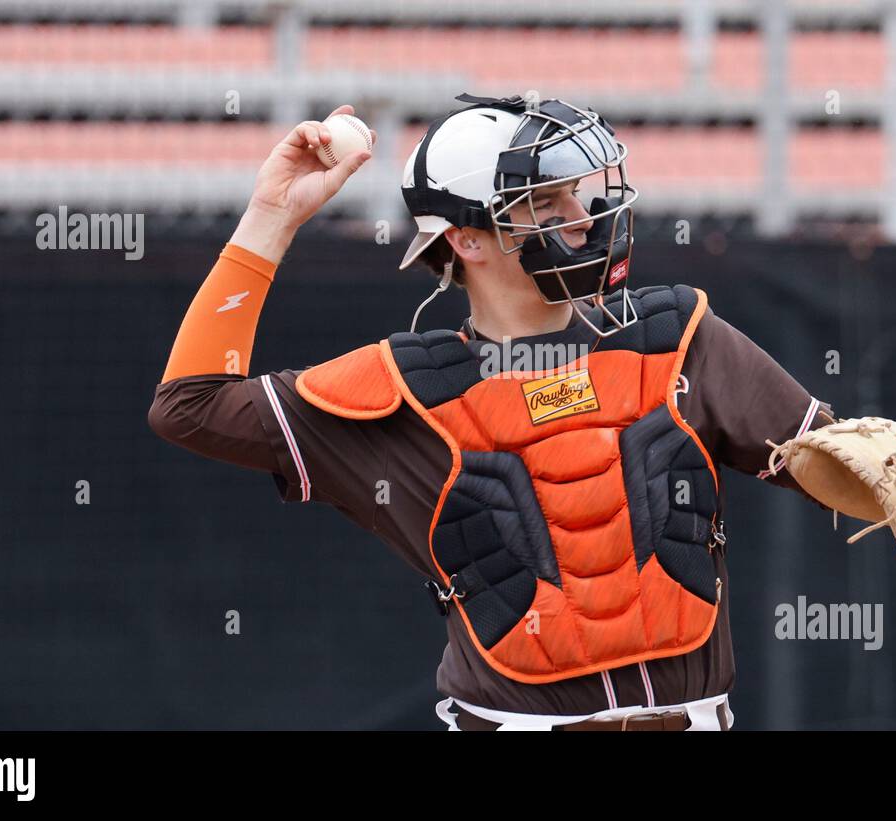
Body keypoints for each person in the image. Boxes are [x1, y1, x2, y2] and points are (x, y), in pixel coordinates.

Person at [149, 94, 831, 731]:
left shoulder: (677, 336)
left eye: (575, 189)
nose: (580, 212)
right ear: (467, 241)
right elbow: (190, 404)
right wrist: (273, 215)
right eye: (544, 201)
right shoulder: (407, 389)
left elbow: (844, 463)